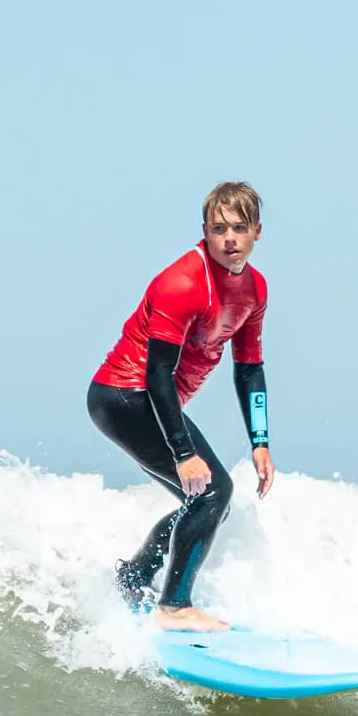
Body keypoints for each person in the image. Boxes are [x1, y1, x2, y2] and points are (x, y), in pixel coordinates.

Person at [88, 181, 274, 631]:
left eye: (239, 228)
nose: (229, 238)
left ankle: (134, 578)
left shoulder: (254, 290)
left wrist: (261, 441)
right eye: (219, 228)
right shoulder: (183, 282)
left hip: (148, 402)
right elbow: (156, 374)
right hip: (125, 397)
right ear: (206, 232)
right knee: (212, 493)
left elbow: (249, 368)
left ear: (256, 232)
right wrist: (184, 453)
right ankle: (174, 607)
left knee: (209, 503)